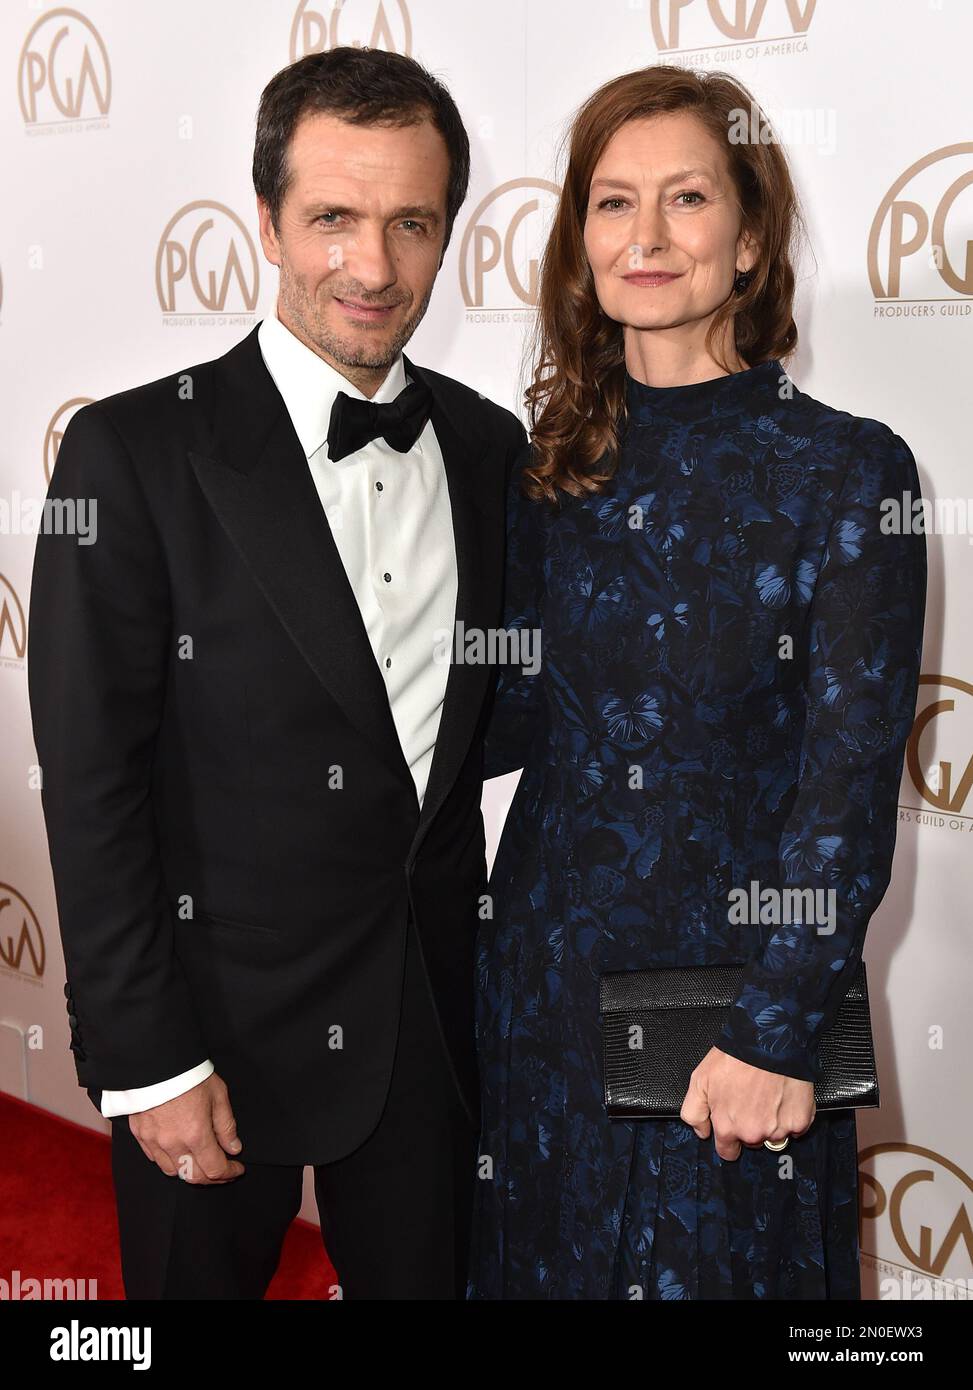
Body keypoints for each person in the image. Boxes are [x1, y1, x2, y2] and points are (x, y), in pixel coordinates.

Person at [28, 46, 525, 1300]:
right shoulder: (133, 451)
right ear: (265, 221)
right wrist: (147, 1062)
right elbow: (92, 787)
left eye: (412, 223)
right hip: (211, 1030)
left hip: (426, 1021)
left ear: (449, 230)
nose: (372, 267)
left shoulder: (484, 444)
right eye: (332, 220)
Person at [469, 65, 927, 1300]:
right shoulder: (543, 472)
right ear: (578, 242)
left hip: (735, 1014)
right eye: (612, 204)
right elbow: (496, 719)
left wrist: (775, 1028)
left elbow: (843, 788)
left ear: (751, 237)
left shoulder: (846, 471)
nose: (648, 236)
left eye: (686, 198)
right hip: (547, 997)